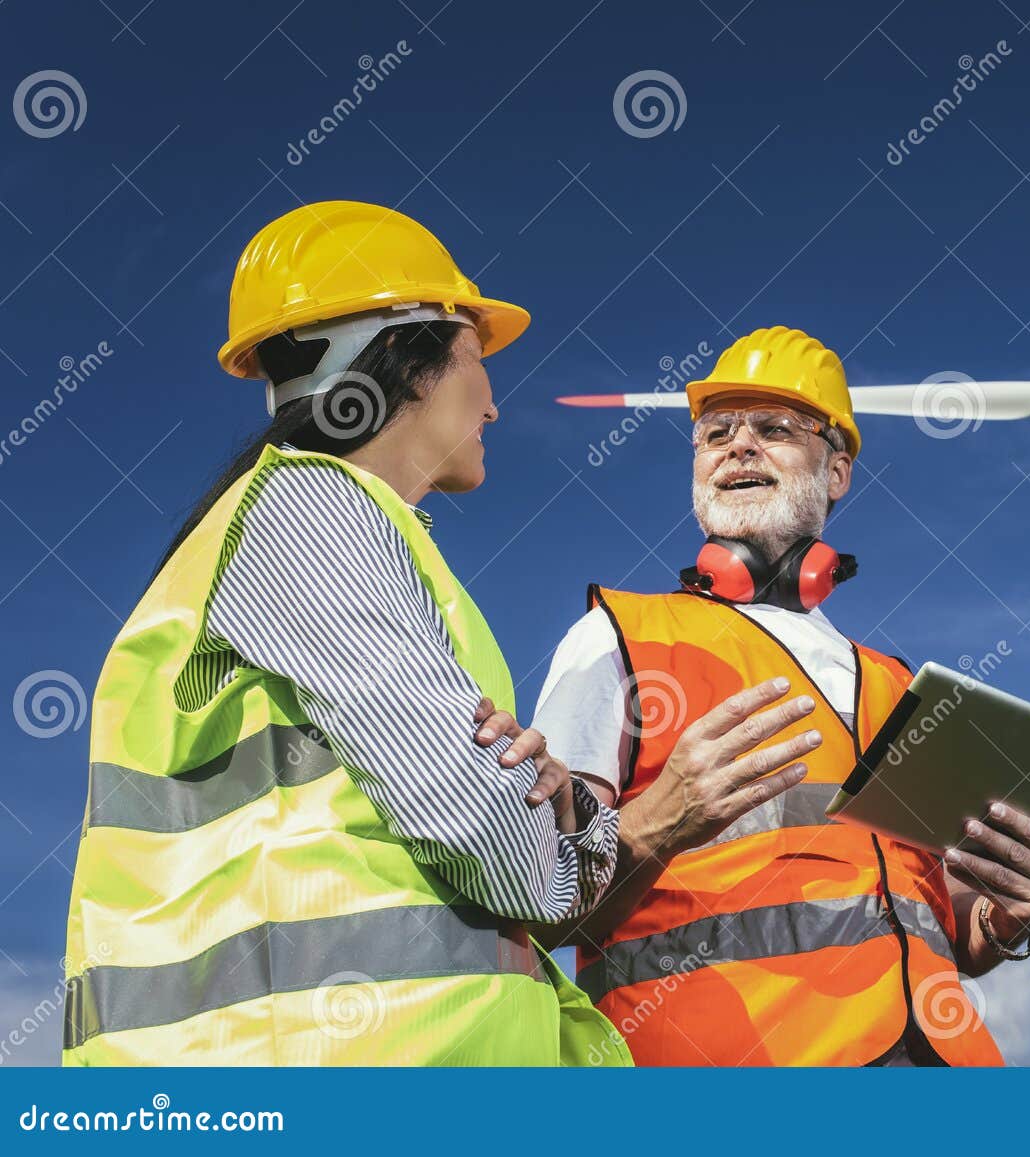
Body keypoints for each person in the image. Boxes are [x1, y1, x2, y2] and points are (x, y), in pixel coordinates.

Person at [61, 201, 630, 1066]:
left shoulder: (318, 524)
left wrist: (543, 798)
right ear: (407, 362)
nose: (494, 404)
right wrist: (574, 833)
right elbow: (483, 827)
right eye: (477, 358)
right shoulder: (311, 514)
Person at [510, 325, 1030, 1065]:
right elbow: (532, 895)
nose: (739, 445)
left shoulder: (899, 686)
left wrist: (1002, 917)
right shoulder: (622, 636)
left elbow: (936, 924)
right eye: (716, 433)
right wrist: (656, 821)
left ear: (837, 472)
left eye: (773, 428)